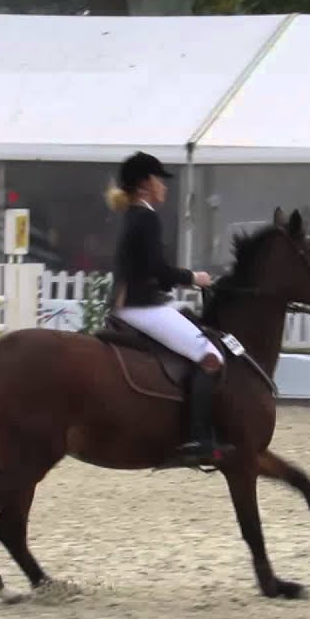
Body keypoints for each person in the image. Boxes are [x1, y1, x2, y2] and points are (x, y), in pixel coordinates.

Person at [105, 151, 226, 461]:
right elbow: (158, 269)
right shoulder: (146, 217)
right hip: (141, 306)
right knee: (209, 355)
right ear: (146, 184)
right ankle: (198, 438)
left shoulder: (134, 215)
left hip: (133, 302)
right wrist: (193, 277)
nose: (165, 187)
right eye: (159, 180)